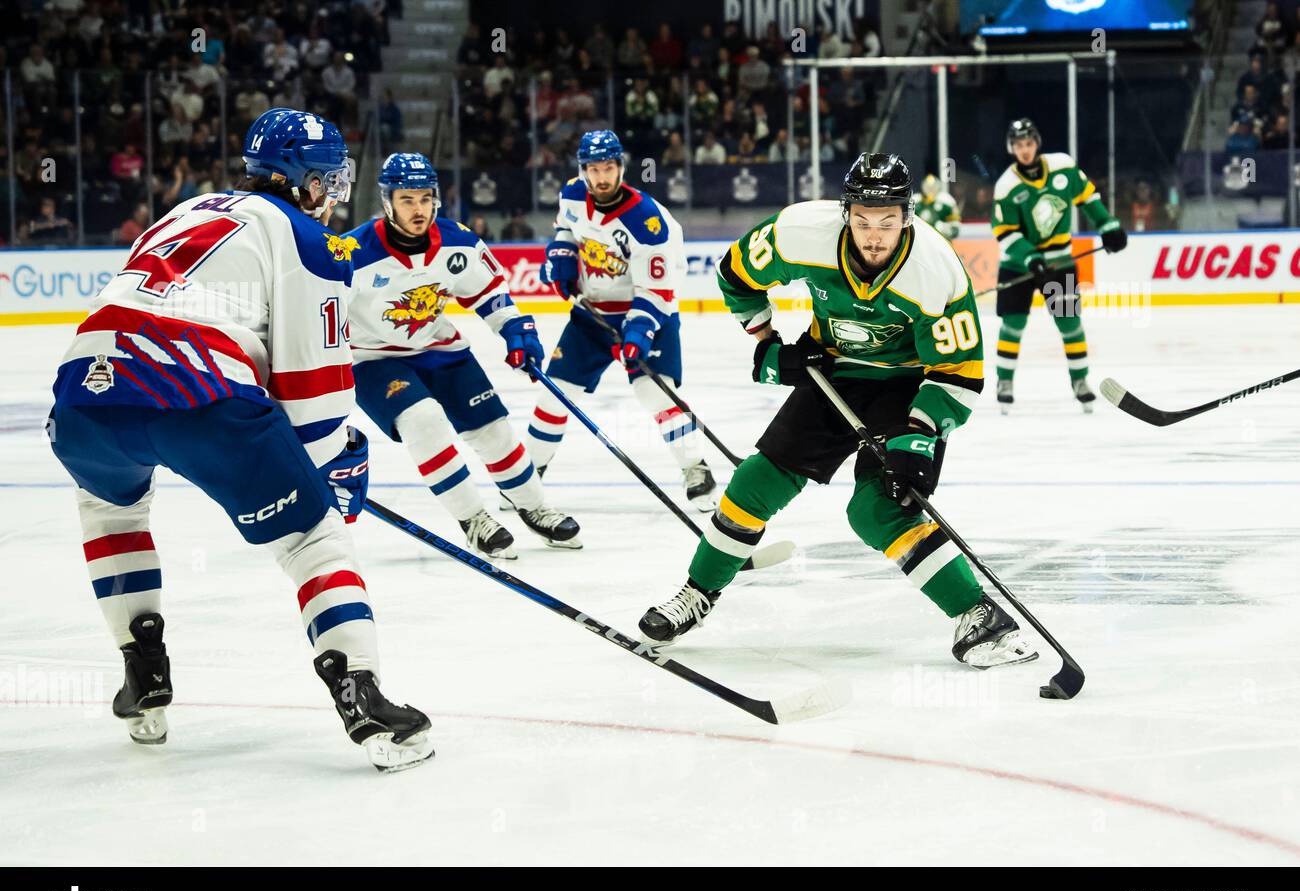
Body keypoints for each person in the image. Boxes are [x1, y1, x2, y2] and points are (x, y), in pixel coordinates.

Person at [45, 109, 434, 772]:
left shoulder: (189, 208)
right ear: (309, 179)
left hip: (83, 388)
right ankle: (360, 692)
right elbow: (313, 401)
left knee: (109, 508)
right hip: (194, 388)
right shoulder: (306, 237)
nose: (333, 190)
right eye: (329, 177)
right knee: (313, 538)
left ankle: (143, 673)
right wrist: (334, 463)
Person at [639, 153, 1033, 672]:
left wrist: (918, 436)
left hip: (909, 384)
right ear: (845, 212)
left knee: (879, 508)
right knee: (754, 484)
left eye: (887, 222)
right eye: (863, 220)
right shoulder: (800, 232)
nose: (874, 235)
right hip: (833, 373)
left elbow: (958, 373)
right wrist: (768, 343)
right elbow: (735, 275)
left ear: (907, 217)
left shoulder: (936, 271)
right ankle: (696, 595)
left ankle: (982, 616)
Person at [345, 153, 580, 558]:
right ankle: (473, 518)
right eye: (407, 200)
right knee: (424, 420)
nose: (418, 210)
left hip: (440, 348)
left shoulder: (458, 241)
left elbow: (490, 295)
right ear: (387, 202)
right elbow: (318, 317)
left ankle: (534, 506)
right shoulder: (352, 254)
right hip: (373, 359)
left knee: (494, 431)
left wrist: (515, 330)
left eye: (424, 198)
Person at [530, 130, 718, 510]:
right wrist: (562, 252)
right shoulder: (571, 194)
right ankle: (525, 478)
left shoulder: (647, 221)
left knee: (654, 392)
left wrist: (638, 330)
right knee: (555, 393)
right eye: (594, 169)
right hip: (591, 314)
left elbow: (658, 289)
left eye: (609, 168)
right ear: (583, 170)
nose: (602, 177)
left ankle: (696, 468)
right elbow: (565, 228)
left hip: (648, 310)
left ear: (621, 168)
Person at [991, 118, 1126, 413]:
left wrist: (1108, 224)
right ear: (1011, 148)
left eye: (1028, 144)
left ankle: (1080, 381)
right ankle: (1004, 381)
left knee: (1069, 323)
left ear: (1036, 143)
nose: (1024, 151)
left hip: (1060, 263)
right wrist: (1030, 257)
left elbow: (1088, 197)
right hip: (1019, 265)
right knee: (1013, 324)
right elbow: (1005, 232)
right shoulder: (1007, 185)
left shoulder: (1063, 166)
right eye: (1018, 145)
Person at [913, 173, 960, 239]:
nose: (930, 189)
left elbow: (955, 229)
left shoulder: (947, 201)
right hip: (921, 240)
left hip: (941, 241)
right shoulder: (916, 200)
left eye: (932, 187)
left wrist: (944, 229)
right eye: (928, 187)